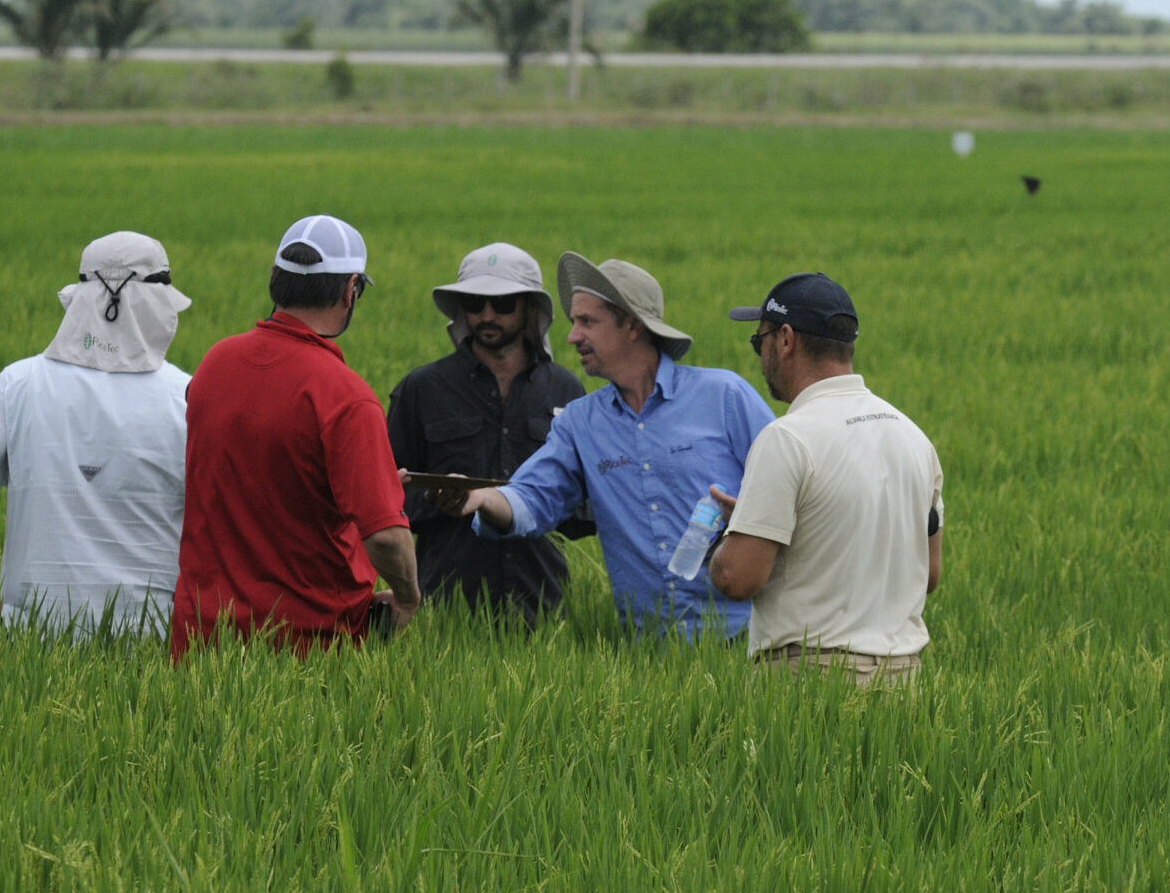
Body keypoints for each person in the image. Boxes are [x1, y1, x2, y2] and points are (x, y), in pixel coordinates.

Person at [455, 253, 773, 640]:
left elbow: (790, 486)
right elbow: (533, 497)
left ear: (633, 326)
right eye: (574, 322)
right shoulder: (580, 423)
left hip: (748, 637)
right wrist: (483, 498)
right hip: (650, 651)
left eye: (587, 322)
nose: (572, 337)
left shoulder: (724, 396)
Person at [170, 214, 421, 657]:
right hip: (308, 647)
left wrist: (357, 485)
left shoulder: (214, 365)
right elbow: (384, 536)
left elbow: (254, 475)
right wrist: (406, 596)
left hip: (202, 641)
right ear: (350, 291)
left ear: (276, 283)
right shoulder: (346, 396)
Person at [0, 232, 192, 638]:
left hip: (28, 640)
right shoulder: (189, 398)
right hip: (153, 644)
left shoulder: (17, 385)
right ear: (159, 307)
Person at [705, 272, 943, 686]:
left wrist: (732, 534)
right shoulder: (914, 437)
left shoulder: (787, 439)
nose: (759, 355)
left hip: (811, 679)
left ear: (785, 339)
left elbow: (737, 578)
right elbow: (930, 574)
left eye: (757, 340)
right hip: (904, 679)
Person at [386, 243, 589, 629]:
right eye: (475, 304)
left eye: (504, 304)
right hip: (447, 608)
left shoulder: (564, 390)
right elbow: (385, 495)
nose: (487, 315)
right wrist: (439, 500)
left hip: (543, 606)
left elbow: (584, 506)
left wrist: (526, 506)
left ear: (530, 307)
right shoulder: (422, 389)